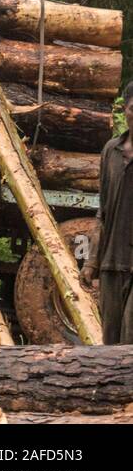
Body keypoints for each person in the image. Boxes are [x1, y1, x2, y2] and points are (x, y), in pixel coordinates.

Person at [80, 81, 133, 343]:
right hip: (112, 263)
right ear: (125, 111)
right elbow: (102, 211)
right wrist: (92, 262)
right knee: (110, 341)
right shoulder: (111, 151)